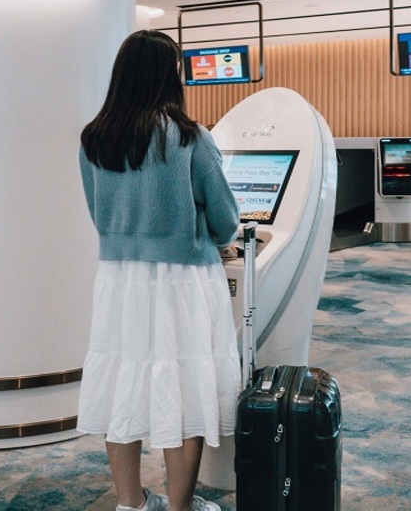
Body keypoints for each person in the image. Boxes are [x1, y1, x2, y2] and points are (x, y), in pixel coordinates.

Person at [77, 30, 242, 511]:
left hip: (119, 279)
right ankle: (179, 507)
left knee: (121, 384)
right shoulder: (191, 136)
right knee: (184, 388)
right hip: (183, 280)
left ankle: (130, 503)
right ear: (168, 76)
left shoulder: (94, 138)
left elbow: (96, 212)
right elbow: (226, 221)